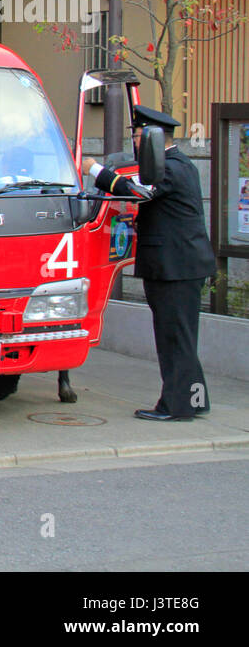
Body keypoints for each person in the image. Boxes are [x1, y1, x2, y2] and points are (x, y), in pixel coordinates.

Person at [83, 105, 216, 421]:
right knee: (181, 336)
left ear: (155, 139)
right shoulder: (173, 165)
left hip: (176, 268)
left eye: (139, 136)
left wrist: (95, 170)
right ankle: (194, 400)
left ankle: (176, 406)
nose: (136, 143)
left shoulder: (170, 168)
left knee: (174, 338)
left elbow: (138, 192)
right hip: (178, 266)